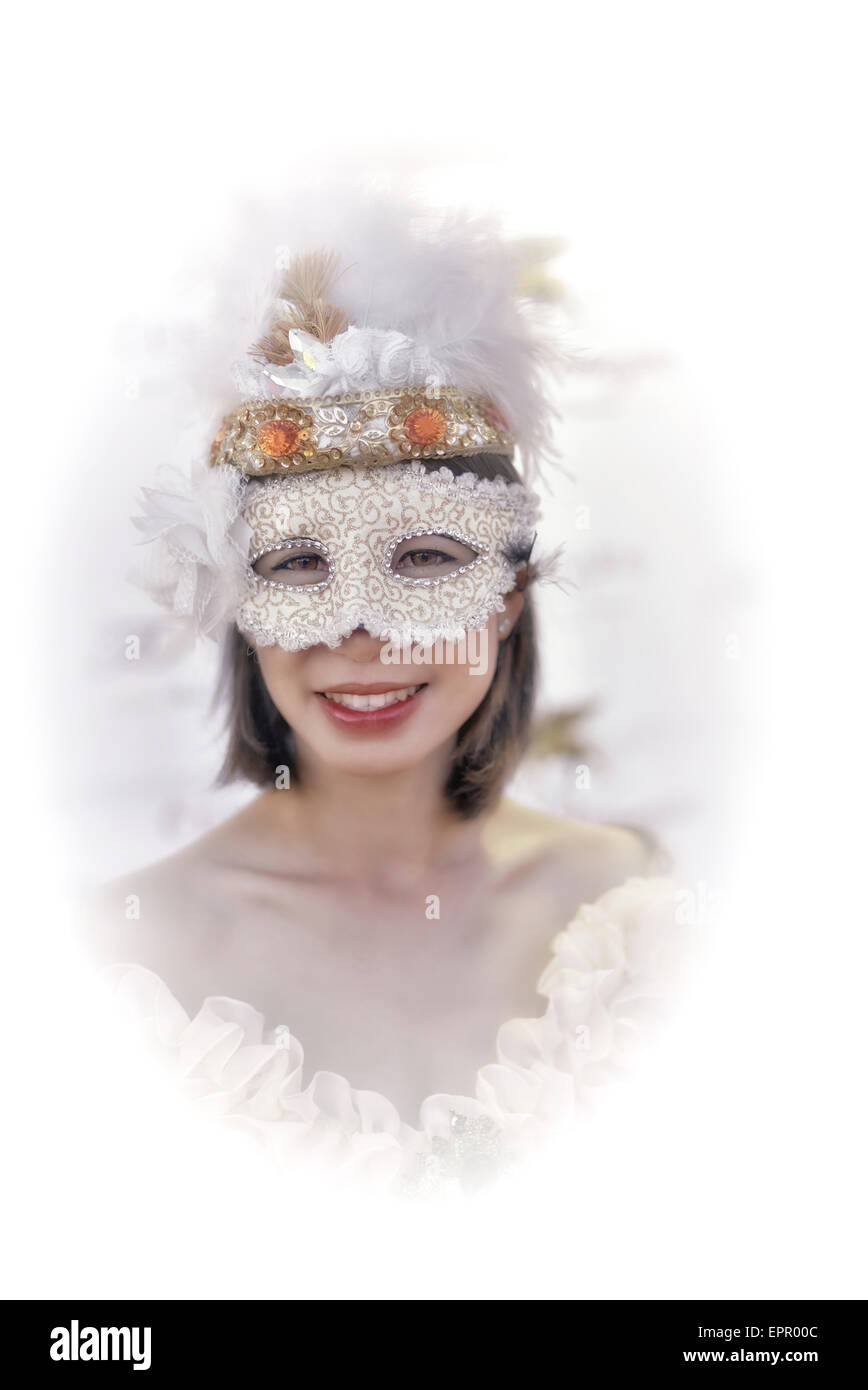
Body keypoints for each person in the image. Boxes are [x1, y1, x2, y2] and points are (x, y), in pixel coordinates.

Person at [79, 190, 686, 1198]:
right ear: (238, 600)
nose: (359, 632)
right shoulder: (119, 956)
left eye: (425, 556)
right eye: (300, 564)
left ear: (505, 599)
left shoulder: (627, 913)